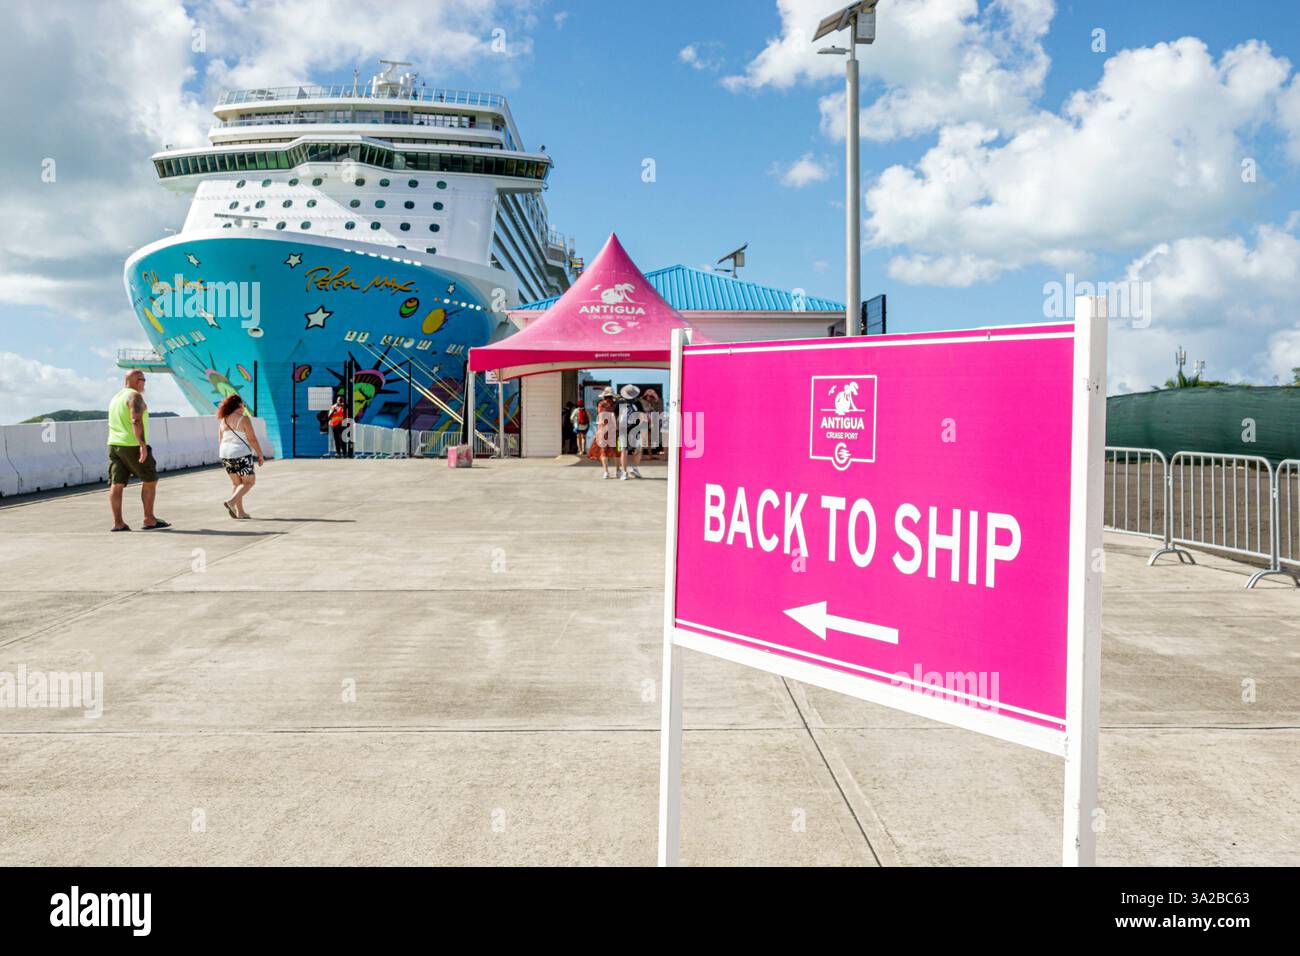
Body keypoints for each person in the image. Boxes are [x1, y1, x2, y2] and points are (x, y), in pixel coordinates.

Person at [106, 370, 170, 532]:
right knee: (150, 479)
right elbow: (135, 419)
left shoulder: (115, 398)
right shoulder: (135, 396)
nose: (144, 383)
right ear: (136, 380)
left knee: (116, 483)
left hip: (114, 444)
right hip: (131, 444)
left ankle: (118, 522)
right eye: (143, 379)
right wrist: (141, 444)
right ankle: (149, 519)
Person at [216, 394, 265, 519]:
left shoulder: (224, 420)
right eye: (243, 404)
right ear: (238, 405)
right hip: (240, 453)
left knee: (237, 483)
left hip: (225, 454)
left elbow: (220, 440)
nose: (244, 406)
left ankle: (240, 512)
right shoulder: (244, 419)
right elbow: (252, 439)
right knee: (249, 482)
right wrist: (260, 454)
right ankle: (231, 502)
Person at [616, 384, 645, 480]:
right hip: (629, 430)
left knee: (632, 450)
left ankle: (630, 470)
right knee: (628, 450)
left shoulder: (622, 403)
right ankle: (627, 471)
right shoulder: (635, 403)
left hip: (629, 429)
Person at [593, 387, 618, 479]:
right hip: (612, 429)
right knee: (614, 451)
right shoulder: (615, 405)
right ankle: (617, 471)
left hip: (602, 429)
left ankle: (606, 472)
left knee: (603, 451)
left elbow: (600, 416)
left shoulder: (601, 404)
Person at [642, 388, 664, 460]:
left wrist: (655, 396)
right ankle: (641, 455)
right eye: (649, 396)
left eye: (651, 396)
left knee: (649, 439)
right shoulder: (642, 402)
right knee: (643, 439)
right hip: (644, 422)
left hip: (651, 423)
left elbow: (660, 408)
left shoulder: (654, 403)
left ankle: (650, 455)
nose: (650, 397)